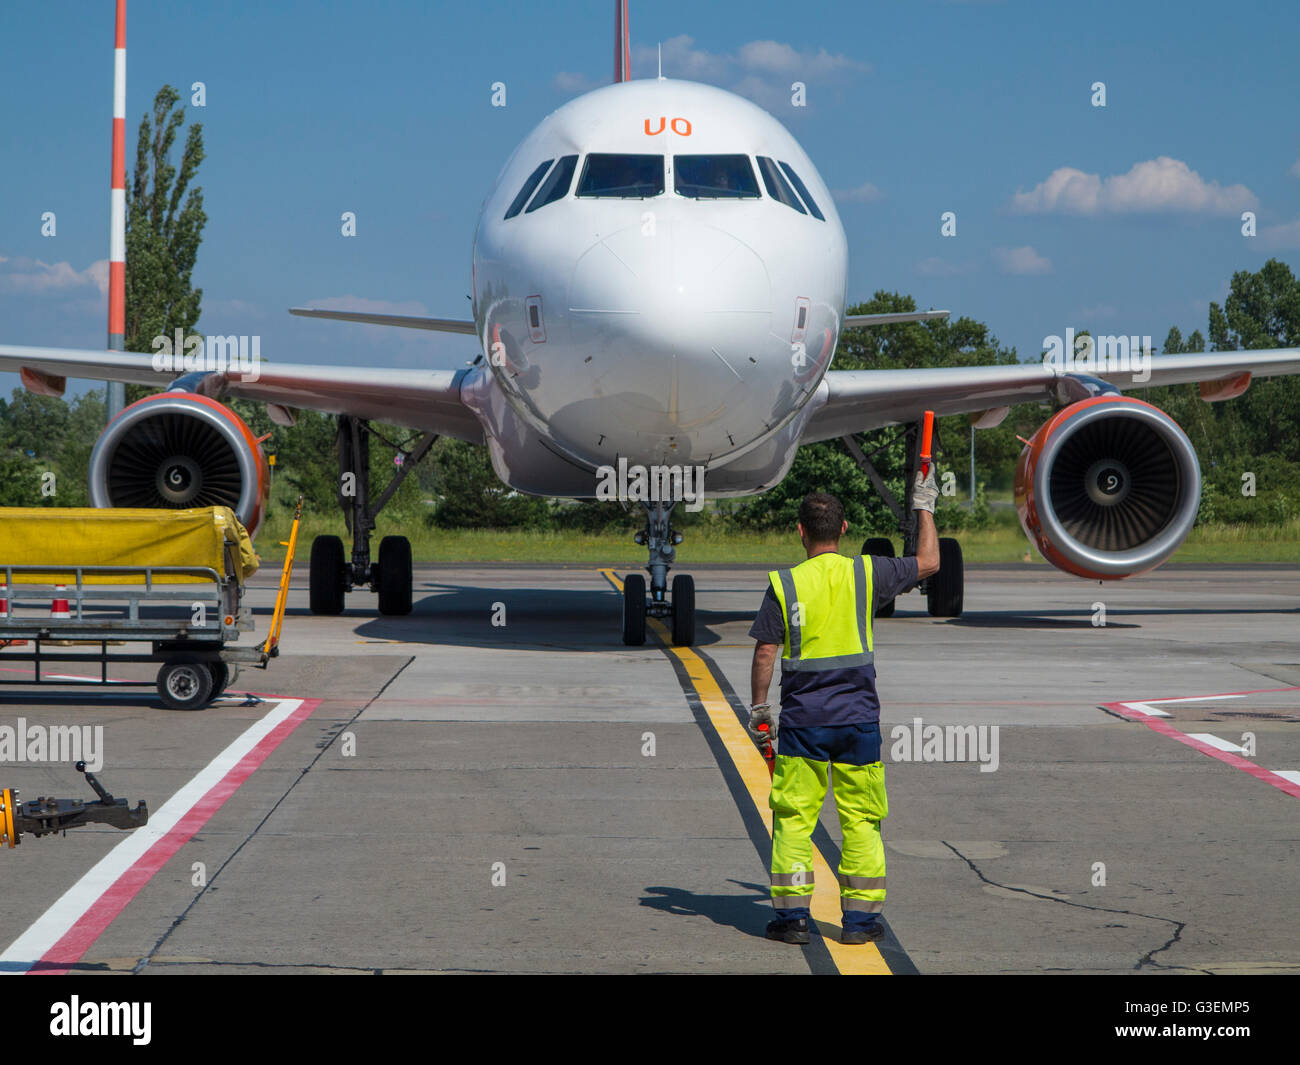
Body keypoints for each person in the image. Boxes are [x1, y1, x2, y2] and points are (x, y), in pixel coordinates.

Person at [746, 469, 940, 945]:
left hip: (803, 725)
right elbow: (930, 561)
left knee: (793, 819)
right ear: (845, 529)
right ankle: (858, 924)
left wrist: (758, 709)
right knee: (861, 820)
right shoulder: (868, 571)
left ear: (800, 532)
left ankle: (792, 921)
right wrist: (925, 505)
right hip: (858, 722)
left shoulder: (785, 584)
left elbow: (766, 651)